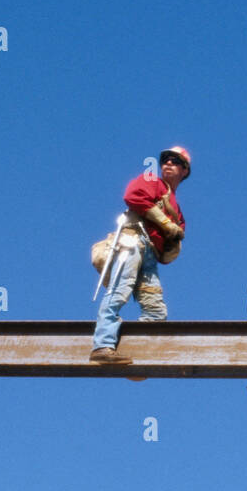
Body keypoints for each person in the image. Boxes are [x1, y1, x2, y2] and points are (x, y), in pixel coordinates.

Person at [90, 147, 191, 364]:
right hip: (133, 242)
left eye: (175, 160)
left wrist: (173, 236)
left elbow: (171, 248)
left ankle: (141, 355)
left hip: (150, 255)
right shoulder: (151, 180)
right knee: (119, 291)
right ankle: (103, 346)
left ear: (185, 170)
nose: (168, 163)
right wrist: (165, 223)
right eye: (165, 159)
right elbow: (133, 195)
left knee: (155, 309)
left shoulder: (177, 210)